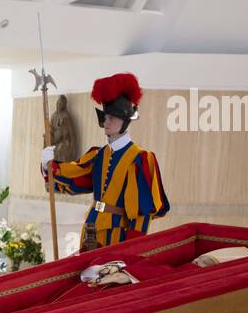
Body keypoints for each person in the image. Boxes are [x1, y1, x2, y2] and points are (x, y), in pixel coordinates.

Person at [41, 72, 169, 248]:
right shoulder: (98, 155)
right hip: (92, 226)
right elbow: (77, 177)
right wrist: (49, 166)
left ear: (124, 121)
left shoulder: (139, 159)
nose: (106, 122)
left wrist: (130, 249)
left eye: (111, 118)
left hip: (117, 233)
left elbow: (141, 214)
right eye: (105, 117)